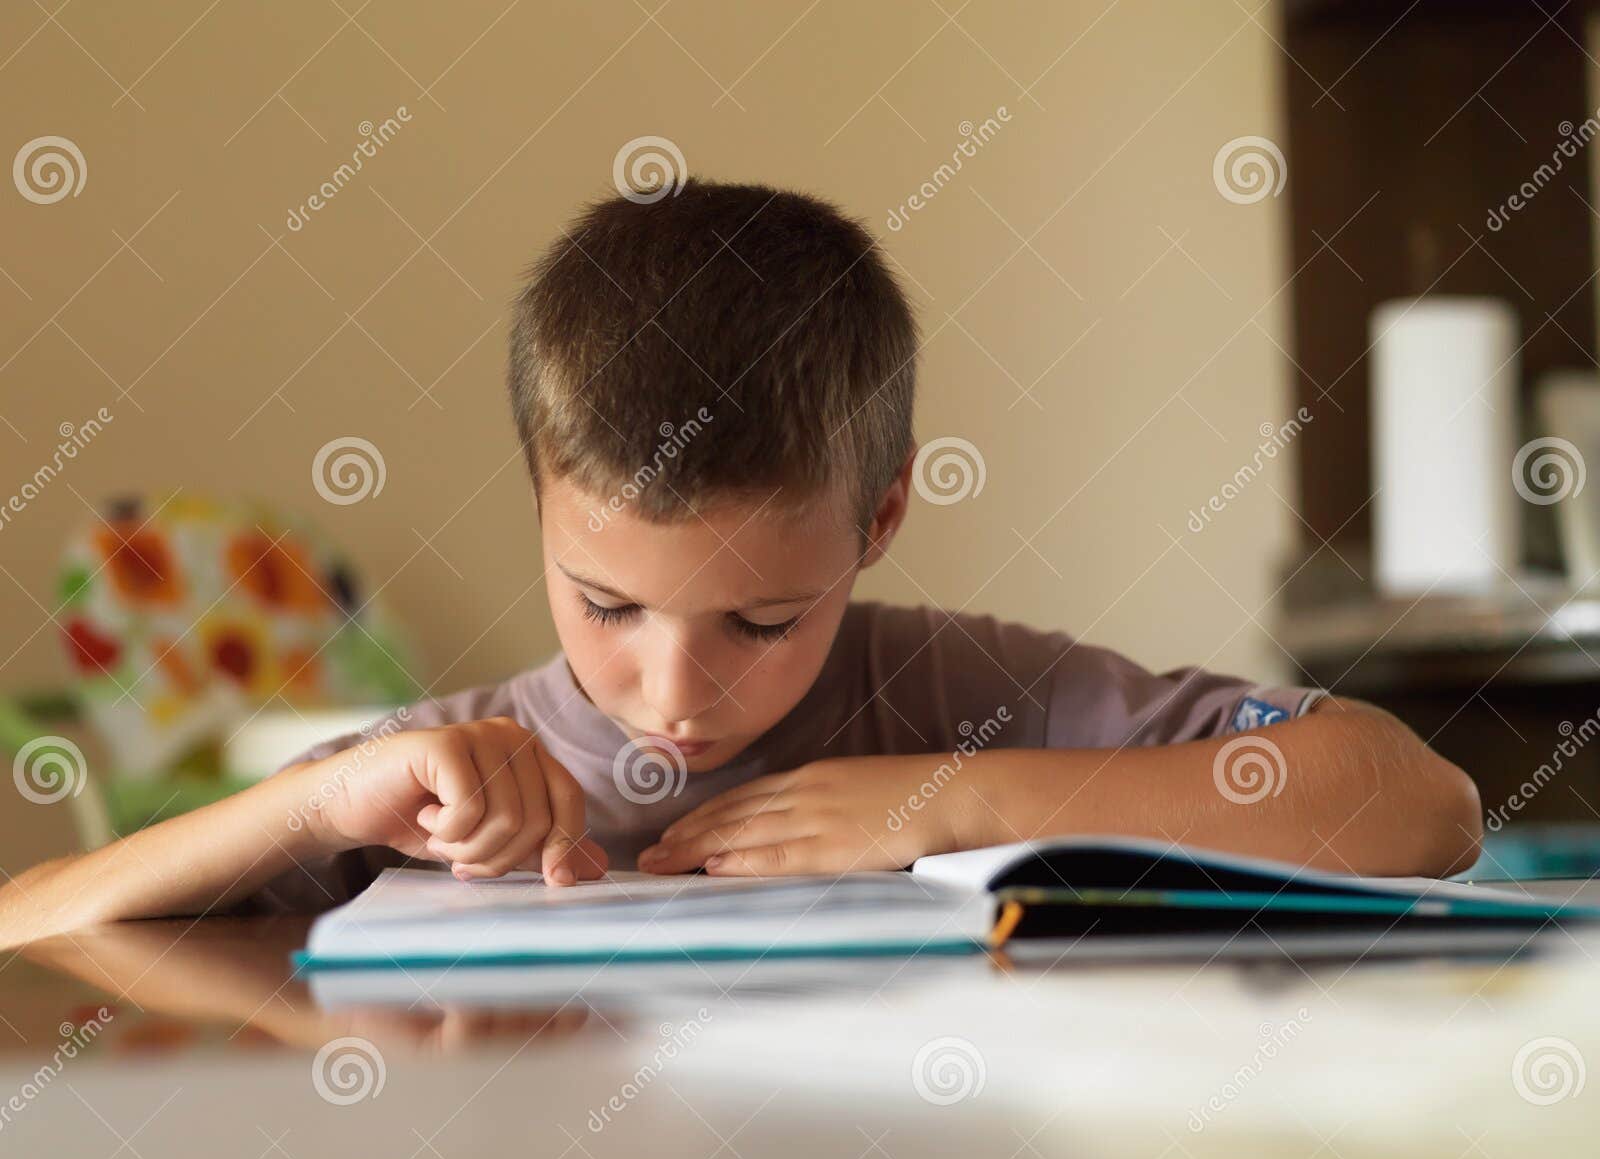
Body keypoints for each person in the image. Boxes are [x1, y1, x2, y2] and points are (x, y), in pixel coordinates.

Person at [4, 180, 1481, 937]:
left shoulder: (959, 695)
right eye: (605, 604)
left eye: (764, 619)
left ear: (882, 519)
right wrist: (322, 795)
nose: (674, 688)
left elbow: (1424, 805)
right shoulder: (464, 768)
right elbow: (27, 928)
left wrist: (954, 800)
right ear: (541, 500)